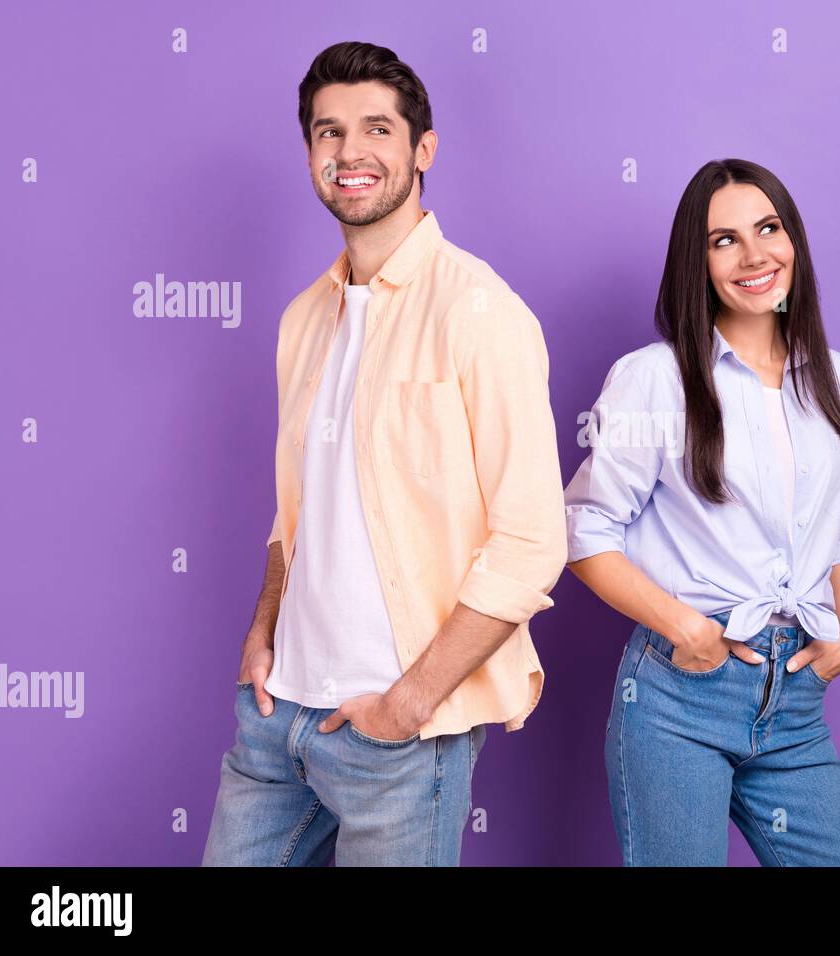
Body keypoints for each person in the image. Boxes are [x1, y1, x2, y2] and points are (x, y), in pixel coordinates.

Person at [202, 41, 567, 866]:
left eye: (376, 128)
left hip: (397, 733)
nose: (350, 152)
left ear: (422, 150)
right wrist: (263, 630)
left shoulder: (481, 312)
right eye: (328, 133)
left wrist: (410, 705)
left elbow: (531, 543)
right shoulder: (303, 319)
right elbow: (298, 505)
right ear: (309, 155)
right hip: (275, 716)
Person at [564, 158, 840, 866]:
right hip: (680, 698)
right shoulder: (655, 379)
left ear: (793, 238)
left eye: (768, 228)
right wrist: (685, 626)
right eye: (724, 240)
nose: (754, 255)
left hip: (794, 702)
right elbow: (584, 529)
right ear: (698, 262)